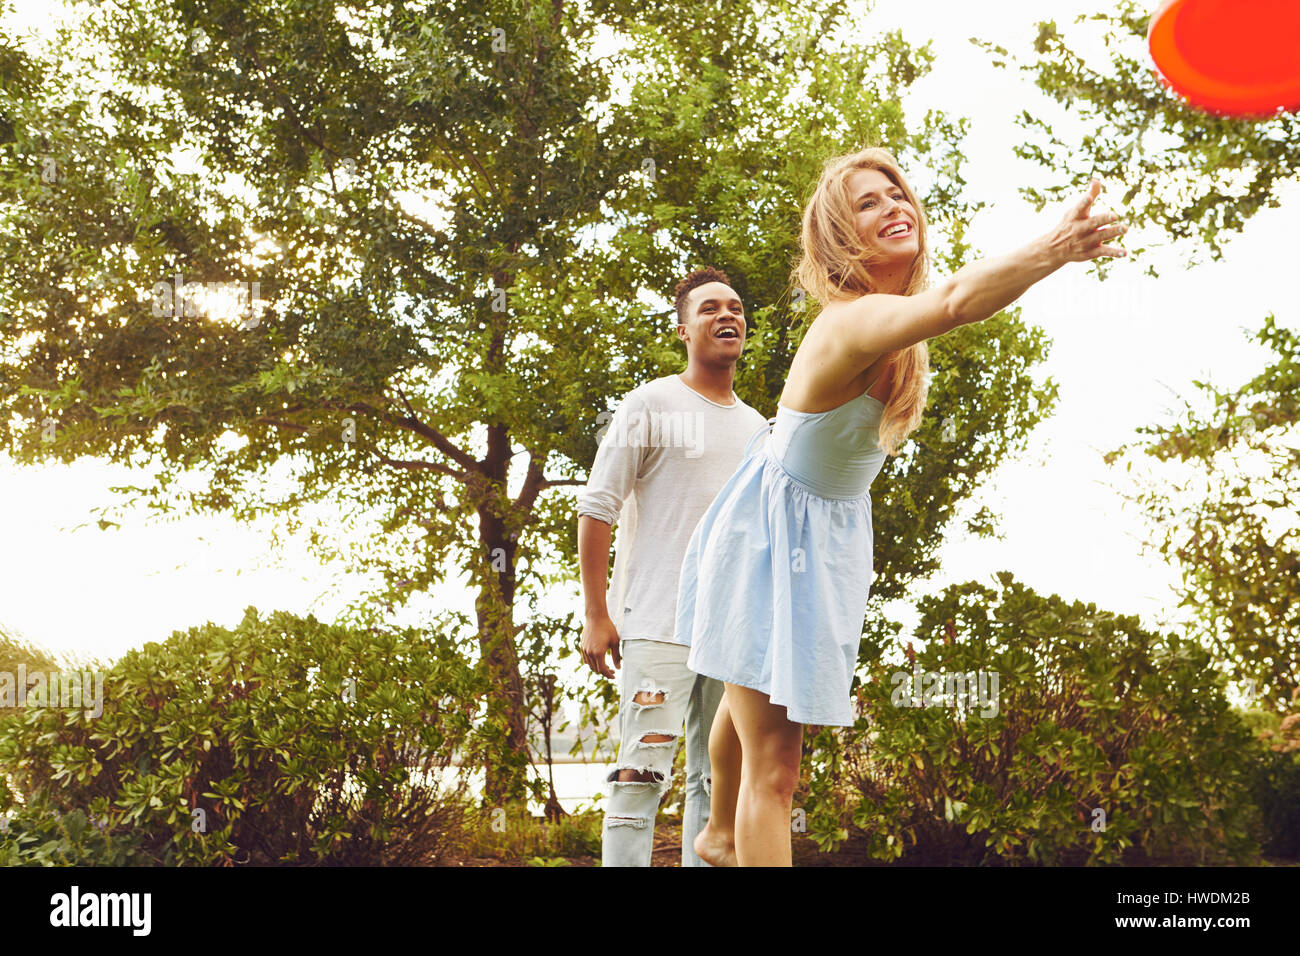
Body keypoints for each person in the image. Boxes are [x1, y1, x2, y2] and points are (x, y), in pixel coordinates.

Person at [676, 146, 1129, 867]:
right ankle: (727, 834)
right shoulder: (848, 323)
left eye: (897, 194)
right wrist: (1053, 248)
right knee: (778, 768)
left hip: (824, 532)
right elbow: (954, 303)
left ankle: (720, 833)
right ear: (840, 238)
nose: (893, 207)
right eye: (867, 203)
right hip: (769, 532)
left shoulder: (897, 330)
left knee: (754, 672)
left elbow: (943, 301)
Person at [576, 267, 768, 867]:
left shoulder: (761, 429)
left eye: (735, 307)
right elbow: (596, 508)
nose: (726, 316)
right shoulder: (650, 403)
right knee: (640, 775)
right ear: (683, 329)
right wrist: (596, 614)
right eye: (709, 308)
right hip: (656, 621)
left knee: (717, 785)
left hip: (730, 633)